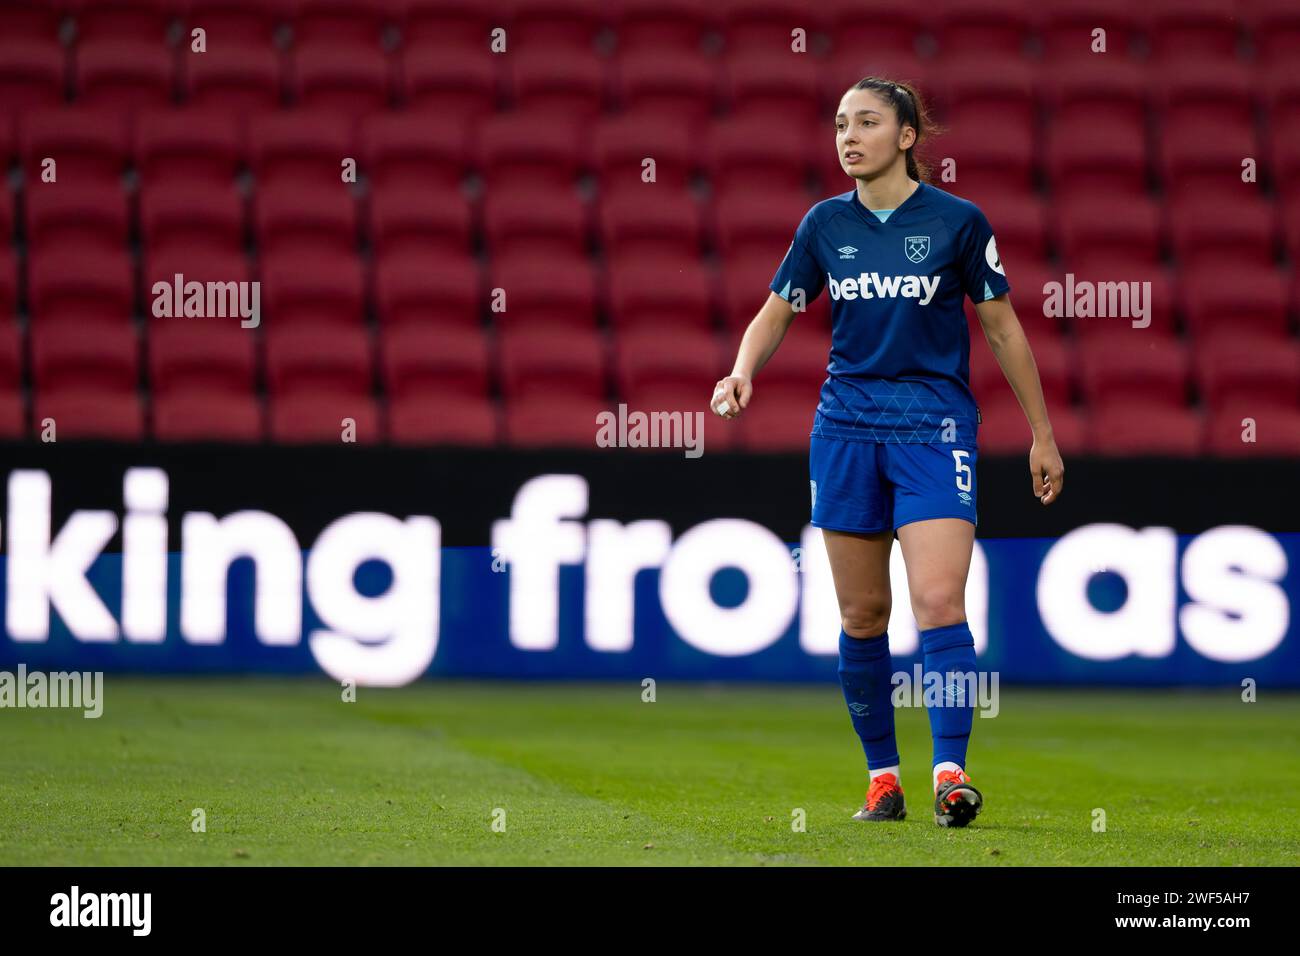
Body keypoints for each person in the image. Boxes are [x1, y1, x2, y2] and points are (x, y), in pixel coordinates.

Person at [711, 76, 1065, 827]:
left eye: (867, 122)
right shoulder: (822, 226)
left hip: (935, 431)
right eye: (840, 123)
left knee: (938, 601)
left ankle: (950, 773)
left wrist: (1041, 433)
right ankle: (882, 779)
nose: (849, 136)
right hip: (844, 430)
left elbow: (1003, 330)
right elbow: (776, 312)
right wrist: (742, 371)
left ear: (907, 136)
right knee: (864, 614)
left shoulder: (959, 223)